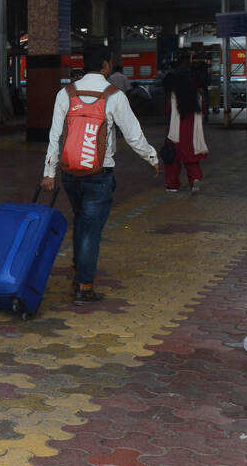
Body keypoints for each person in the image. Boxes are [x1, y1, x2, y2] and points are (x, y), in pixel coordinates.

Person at [42, 43, 162, 304]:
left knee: (81, 220)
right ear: (106, 65)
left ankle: (79, 272)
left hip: (71, 173)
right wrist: (151, 157)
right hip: (99, 174)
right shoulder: (114, 95)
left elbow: (55, 135)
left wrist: (49, 173)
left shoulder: (66, 93)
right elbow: (133, 135)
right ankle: (85, 285)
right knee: (91, 229)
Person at [163, 66, 209, 193]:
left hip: (175, 133)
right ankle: (195, 179)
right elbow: (204, 111)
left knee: (173, 161)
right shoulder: (198, 95)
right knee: (192, 160)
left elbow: (167, 111)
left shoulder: (173, 96)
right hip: (193, 133)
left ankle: (173, 185)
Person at [190, 55, 212, 120]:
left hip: (198, 87)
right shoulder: (204, 68)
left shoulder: (193, 68)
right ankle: (205, 115)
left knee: (200, 102)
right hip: (202, 87)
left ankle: (202, 115)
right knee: (204, 102)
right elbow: (208, 78)